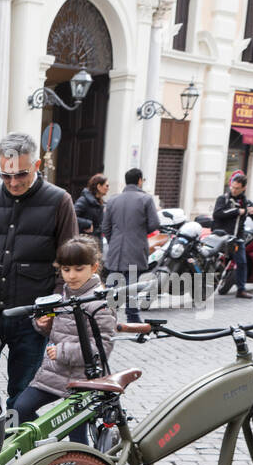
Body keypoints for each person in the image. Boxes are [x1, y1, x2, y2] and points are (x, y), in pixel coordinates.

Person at [0, 132, 79, 409]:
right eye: (5, 175)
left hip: (32, 318)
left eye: (21, 174)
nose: (13, 182)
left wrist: (52, 311)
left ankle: (17, 449)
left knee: (22, 395)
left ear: (37, 166)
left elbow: (70, 263)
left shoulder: (60, 201)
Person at [11, 235, 116, 445]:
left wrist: (62, 351)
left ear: (93, 268)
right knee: (18, 409)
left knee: (77, 435)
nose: (71, 275)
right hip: (53, 374)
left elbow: (102, 347)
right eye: (66, 269)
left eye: (78, 269)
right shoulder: (63, 296)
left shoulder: (99, 303)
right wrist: (44, 325)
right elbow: (57, 332)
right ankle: (49, 453)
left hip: (83, 379)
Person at [101, 167, 160, 323]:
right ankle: (132, 316)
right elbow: (154, 224)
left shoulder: (113, 200)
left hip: (116, 248)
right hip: (135, 247)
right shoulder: (146, 199)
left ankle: (103, 316)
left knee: (112, 283)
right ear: (139, 180)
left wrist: (114, 239)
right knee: (131, 283)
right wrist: (138, 232)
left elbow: (105, 227)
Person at [212, 172, 253, 300]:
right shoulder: (223, 199)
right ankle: (204, 286)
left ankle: (241, 289)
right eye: (232, 187)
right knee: (215, 261)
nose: (233, 190)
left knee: (242, 262)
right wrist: (237, 211)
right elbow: (217, 214)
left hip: (237, 237)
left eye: (237, 188)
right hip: (221, 236)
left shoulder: (245, 201)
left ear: (243, 188)